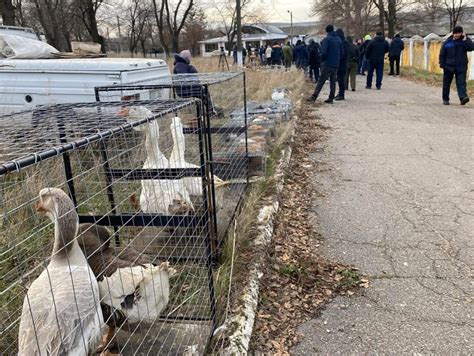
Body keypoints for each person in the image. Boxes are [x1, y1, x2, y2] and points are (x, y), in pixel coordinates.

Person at [307, 24, 343, 104]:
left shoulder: (327, 40)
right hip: (336, 64)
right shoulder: (339, 39)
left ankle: (314, 96)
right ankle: (331, 97)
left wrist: (322, 60)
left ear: (327, 31)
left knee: (321, 80)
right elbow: (342, 52)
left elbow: (323, 53)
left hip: (327, 64)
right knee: (333, 81)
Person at [439, 26, 473, 105]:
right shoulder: (447, 42)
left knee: (461, 83)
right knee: (446, 84)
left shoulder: (464, 41)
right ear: (453, 33)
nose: (457, 35)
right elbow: (442, 54)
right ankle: (445, 99)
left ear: (462, 33)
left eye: (459, 33)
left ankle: (463, 98)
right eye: (455, 33)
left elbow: (471, 48)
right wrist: (442, 64)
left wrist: (465, 39)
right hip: (448, 66)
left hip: (461, 66)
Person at [335, 29, 349, 100]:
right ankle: (340, 93)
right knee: (340, 79)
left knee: (341, 79)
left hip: (342, 63)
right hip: (342, 63)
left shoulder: (343, 43)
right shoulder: (344, 42)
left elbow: (343, 54)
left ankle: (341, 94)